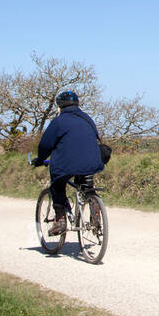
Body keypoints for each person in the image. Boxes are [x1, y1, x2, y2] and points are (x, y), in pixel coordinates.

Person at [31, 90, 105, 236]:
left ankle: (60, 220)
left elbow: (46, 145)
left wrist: (40, 160)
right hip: (92, 161)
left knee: (57, 184)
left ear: (60, 106)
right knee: (86, 184)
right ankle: (95, 211)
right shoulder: (87, 119)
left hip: (67, 164)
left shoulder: (59, 121)